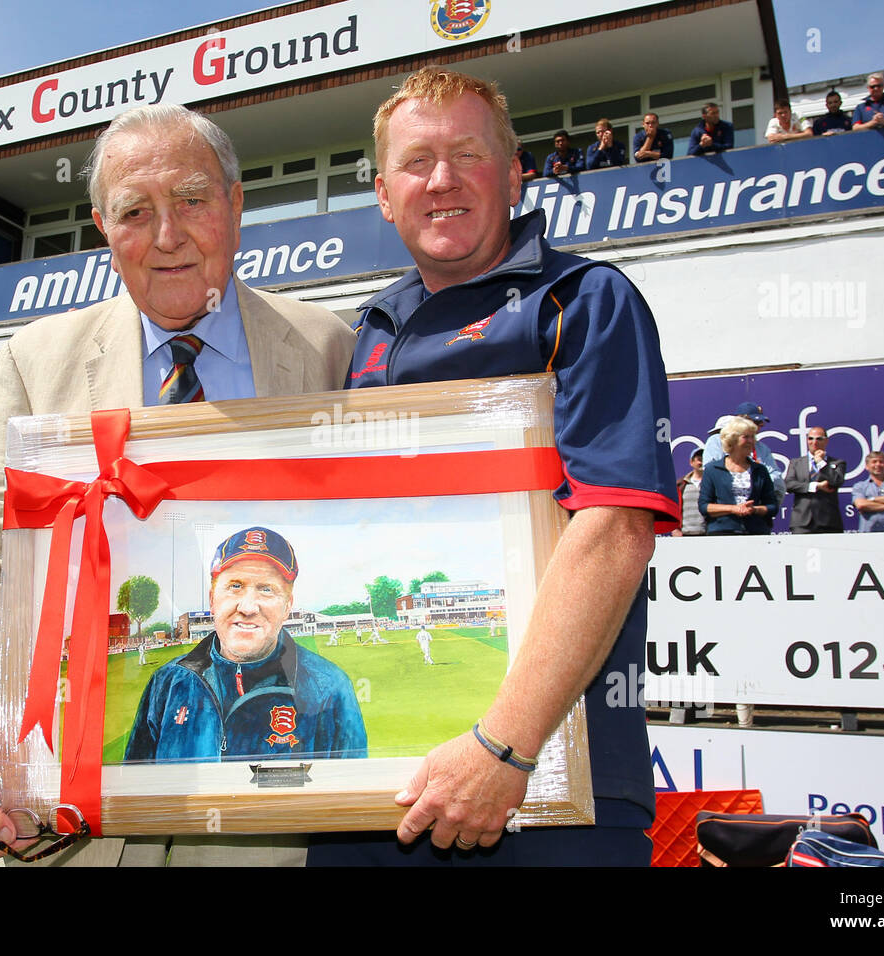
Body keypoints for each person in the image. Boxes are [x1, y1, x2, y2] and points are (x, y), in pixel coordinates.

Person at [0, 103, 355, 867]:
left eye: (192, 200)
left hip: (272, 826)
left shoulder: (331, 347)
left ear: (235, 204)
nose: (166, 236)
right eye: (136, 211)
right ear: (103, 225)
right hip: (68, 808)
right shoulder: (36, 362)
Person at [312, 67, 678, 867]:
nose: (440, 181)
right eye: (415, 162)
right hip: (378, 794)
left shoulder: (585, 299)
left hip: (555, 781)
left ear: (515, 173)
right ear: (382, 192)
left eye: (467, 154)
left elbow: (615, 531)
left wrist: (502, 749)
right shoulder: (365, 333)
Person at [125, 527, 365, 762]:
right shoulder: (168, 682)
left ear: (287, 606)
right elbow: (132, 791)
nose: (248, 607)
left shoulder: (330, 688)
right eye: (235, 586)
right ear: (212, 600)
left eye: (266, 589)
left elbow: (354, 792)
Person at [698, 418, 777, 535]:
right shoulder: (713, 470)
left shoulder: (760, 470)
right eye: (746, 437)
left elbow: (772, 506)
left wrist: (754, 510)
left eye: (752, 437)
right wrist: (733, 509)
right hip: (722, 533)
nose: (751, 441)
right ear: (732, 440)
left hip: (756, 533)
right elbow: (704, 507)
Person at [703, 402, 784, 509]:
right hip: (725, 510)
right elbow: (711, 476)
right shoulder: (716, 441)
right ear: (740, 421)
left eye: (761, 422)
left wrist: (756, 485)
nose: (761, 425)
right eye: (756, 421)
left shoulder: (761, 448)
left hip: (755, 509)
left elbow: (776, 478)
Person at [784, 426, 846, 533]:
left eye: (819, 439)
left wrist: (821, 463)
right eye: (811, 438)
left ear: (826, 441)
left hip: (829, 521)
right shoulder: (796, 463)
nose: (814, 442)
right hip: (802, 522)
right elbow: (788, 484)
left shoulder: (837, 463)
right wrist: (816, 486)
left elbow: (836, 481)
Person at [671, 447, 706, 536]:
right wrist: (675, 529)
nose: (701, 463)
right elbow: (674, 508)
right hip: (685, 534)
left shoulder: (711, 484)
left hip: (707, 534)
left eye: (704, 459)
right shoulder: (681, 484)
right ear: (691, 462)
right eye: (699, 459)